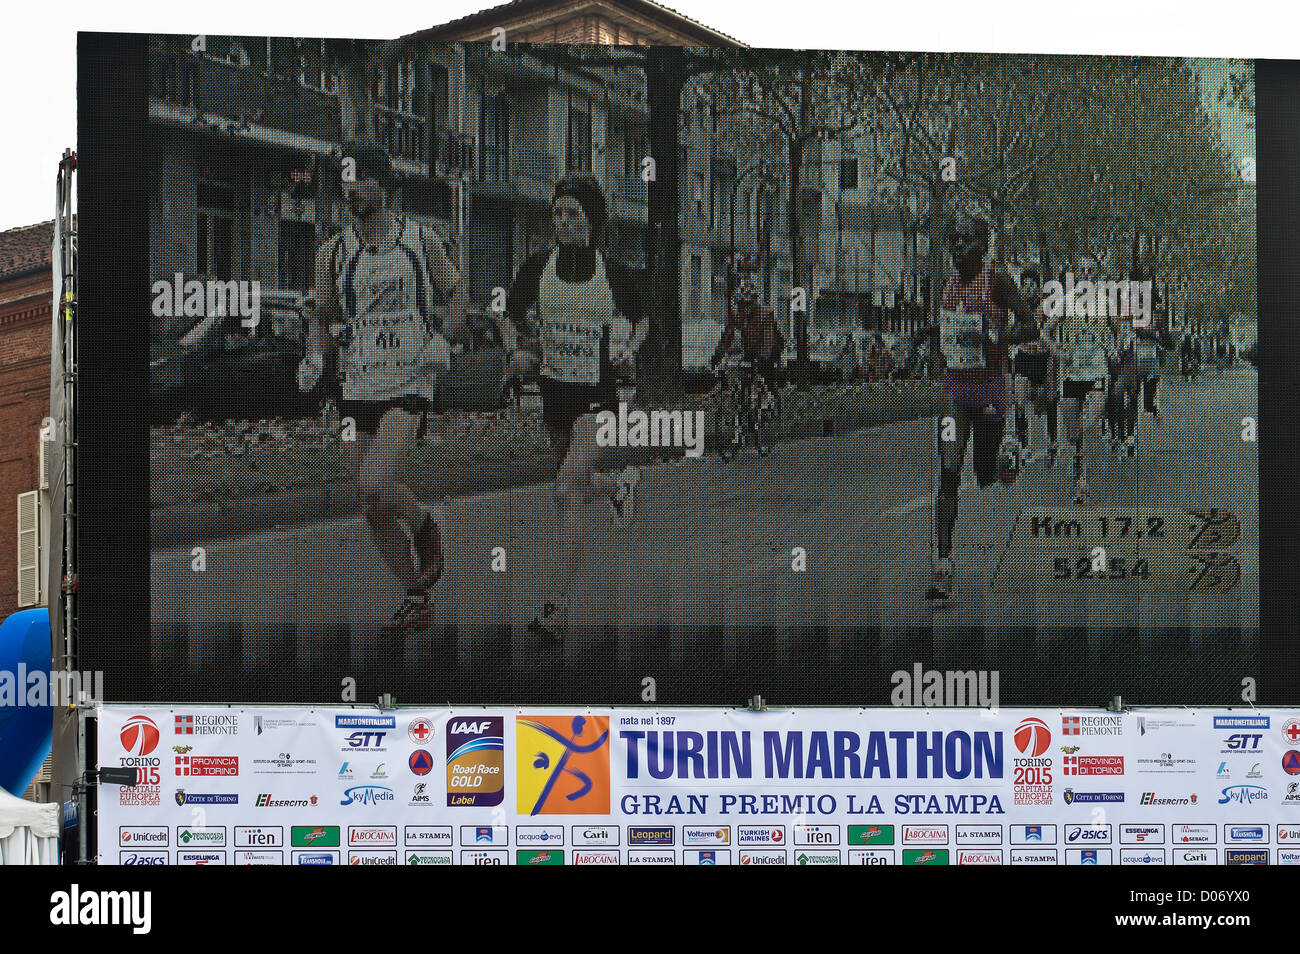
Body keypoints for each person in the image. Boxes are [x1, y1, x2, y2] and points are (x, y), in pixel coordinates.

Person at [297, 141, 461, 635]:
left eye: (364, 178)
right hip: (356, 385)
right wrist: (313, 352)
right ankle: (414, 595)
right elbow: (323, 317)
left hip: (408, 381)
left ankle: (426, 526)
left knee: (377, 482)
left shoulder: (421, 241)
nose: (355, 188)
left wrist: (441, 338)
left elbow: (454, 300)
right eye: (348, 178)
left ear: (387, 188)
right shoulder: (336, 251)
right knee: (369, 504)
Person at [500, 173, 647, 641]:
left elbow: (644, 316)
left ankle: (556, 609)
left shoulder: (612, 272)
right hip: (555, 396)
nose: (563, 222)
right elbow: (507, 313)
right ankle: (616, 488)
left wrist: (631, 347)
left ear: (593, 219)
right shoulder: (537, 269)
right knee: (575, 484)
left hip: (598, 400)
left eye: (573, 213)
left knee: (564, 492)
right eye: (557, 213)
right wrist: (514, 351)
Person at [913, 214, 1038, 601]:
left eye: (966, 240)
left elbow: (1031, 327)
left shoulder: (997, 281)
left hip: (990, 390)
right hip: (955, 389)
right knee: (948, 472)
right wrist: (927, 334)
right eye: (953, 240)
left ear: (983, 246)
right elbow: (953, 327)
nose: (957, 247)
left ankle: (1009, 449)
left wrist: (997, 335)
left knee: (986, 474)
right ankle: (943, 564)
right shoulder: (947, 285)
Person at [1043, 293, 1118, 506]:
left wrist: (1113, 349)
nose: (1086, 275)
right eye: (1082, 271)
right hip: (1072, 375)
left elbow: (1118, 328)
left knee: (1089, 426)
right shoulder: (1066, 302)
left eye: (1091, 271)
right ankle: (1077, 454)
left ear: (1096, 275)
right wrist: (1057, 352)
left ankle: (1083, 483)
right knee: (1073, 433)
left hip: (1097, 373)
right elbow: (1045, 332)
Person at [1011, 266, 1058, 466]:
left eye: (1032, 285)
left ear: (1038, 289)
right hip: (1023, 358)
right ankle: (1023, 446)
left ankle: (1053, 442)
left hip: (1042, 360)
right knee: (1019, 402)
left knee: (1047, 402)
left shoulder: (1046, 307)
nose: (1028, 289)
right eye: (1025, 285)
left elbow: (1051, 332)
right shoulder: (1017, 308)